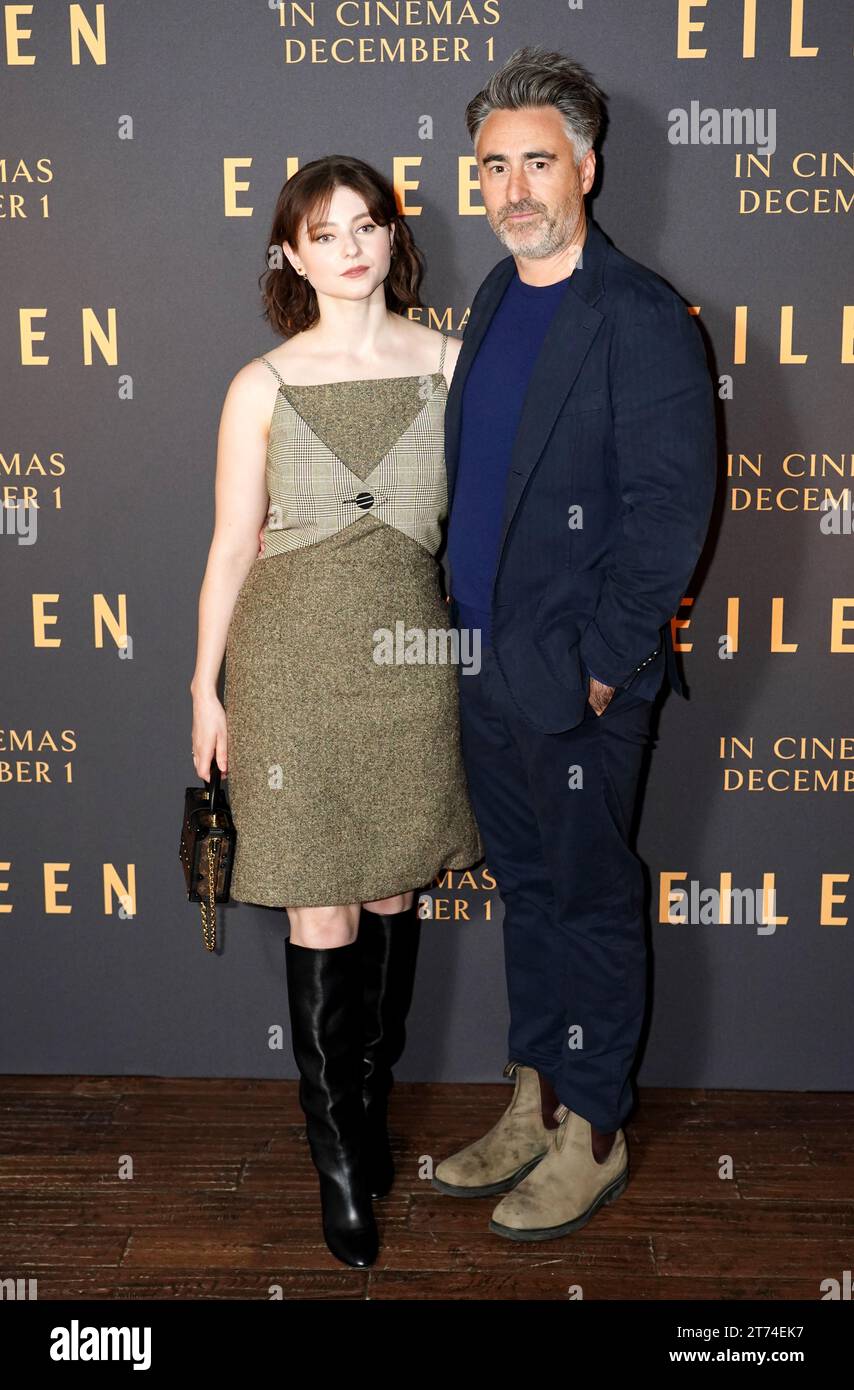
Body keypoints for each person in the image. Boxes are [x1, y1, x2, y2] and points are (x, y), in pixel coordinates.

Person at [432, 47, 717, 1240]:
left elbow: (670, 513)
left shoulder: (638, 314)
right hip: (486, 667)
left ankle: (592, 1126)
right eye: (493, 165)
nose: (511, 188)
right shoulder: (497, 294)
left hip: (579, 681)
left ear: (586, 169)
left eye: (535, 161)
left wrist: (604, 664)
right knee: (528, 894)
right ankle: (534, 1095)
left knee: (589, 902)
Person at [189, 156, 482, 1268]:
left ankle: (369, 1104)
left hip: (406, 659)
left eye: (368, 225)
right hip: (288, 662)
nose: (350, 246)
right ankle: (341, 1164)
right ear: (292, 254)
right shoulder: (259, 383)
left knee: (393, 886)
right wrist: (201, 685)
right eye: (325, 231)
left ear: (392, 240)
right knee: (320, 905)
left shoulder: (455, 365)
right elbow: (227, 545)